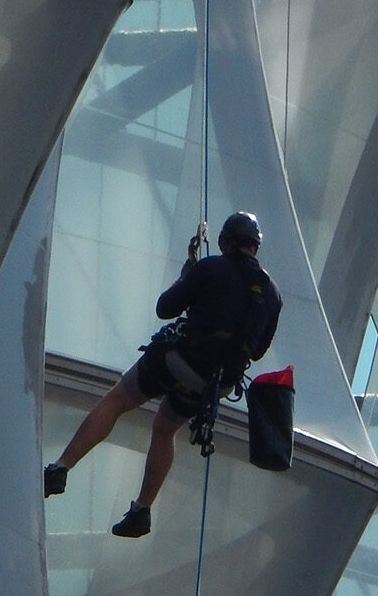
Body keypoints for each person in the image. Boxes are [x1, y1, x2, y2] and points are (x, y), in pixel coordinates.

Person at [43, 212, 282, 537]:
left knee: (118, 399)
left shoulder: (211, 268)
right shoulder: (272, 294)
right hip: (213, 384)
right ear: (256, 247)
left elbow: (165, 308)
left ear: (225, 243)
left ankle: (60, 469)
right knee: (165, 429)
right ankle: (141, 511)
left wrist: (189, 279)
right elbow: (257, 351)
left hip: (179, 360)